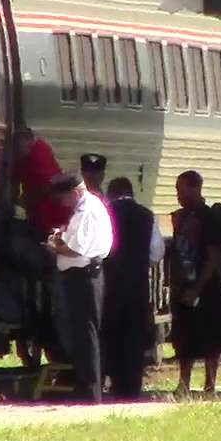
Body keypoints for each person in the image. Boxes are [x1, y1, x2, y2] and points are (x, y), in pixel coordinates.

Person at [46, 173, 114, 402]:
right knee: (84, 332)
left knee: (86, 334)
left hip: (83, 278)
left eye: (63, 197)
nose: (61, 203)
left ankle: (90, 388)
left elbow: (75, 250)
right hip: (86, 275)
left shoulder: (85, 213)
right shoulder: (91, 206)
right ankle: (87, 384)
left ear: (75, 193)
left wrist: (54, 246)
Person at [168, 170, 221, 394]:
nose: (178, 194)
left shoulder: (209, 218)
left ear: (195, 188)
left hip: (207, 287)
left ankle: (210, 384)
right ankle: (184, 383)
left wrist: (198, 287)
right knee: (184, 338)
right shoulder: (180, 217)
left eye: (181, 189)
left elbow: (214, 255)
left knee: (210, 338)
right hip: (183, 286)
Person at [101, 177, 166, 399]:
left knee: (110, 332)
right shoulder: (147, 216)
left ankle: (112, 379)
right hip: (137, 285)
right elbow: (156, 252)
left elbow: (102, 248)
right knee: (134, 334)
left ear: (111, 193)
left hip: (109, 283)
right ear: (131, 193)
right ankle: (131, 385)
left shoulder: (105, 213)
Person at [15, 128, 71, 234]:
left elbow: (49, 185)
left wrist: (26, 198)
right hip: (42, 215)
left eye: (19, 147)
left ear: (29, 141)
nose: (17, 151)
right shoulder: (33, 154)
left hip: (51, 218)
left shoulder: (39, 157)